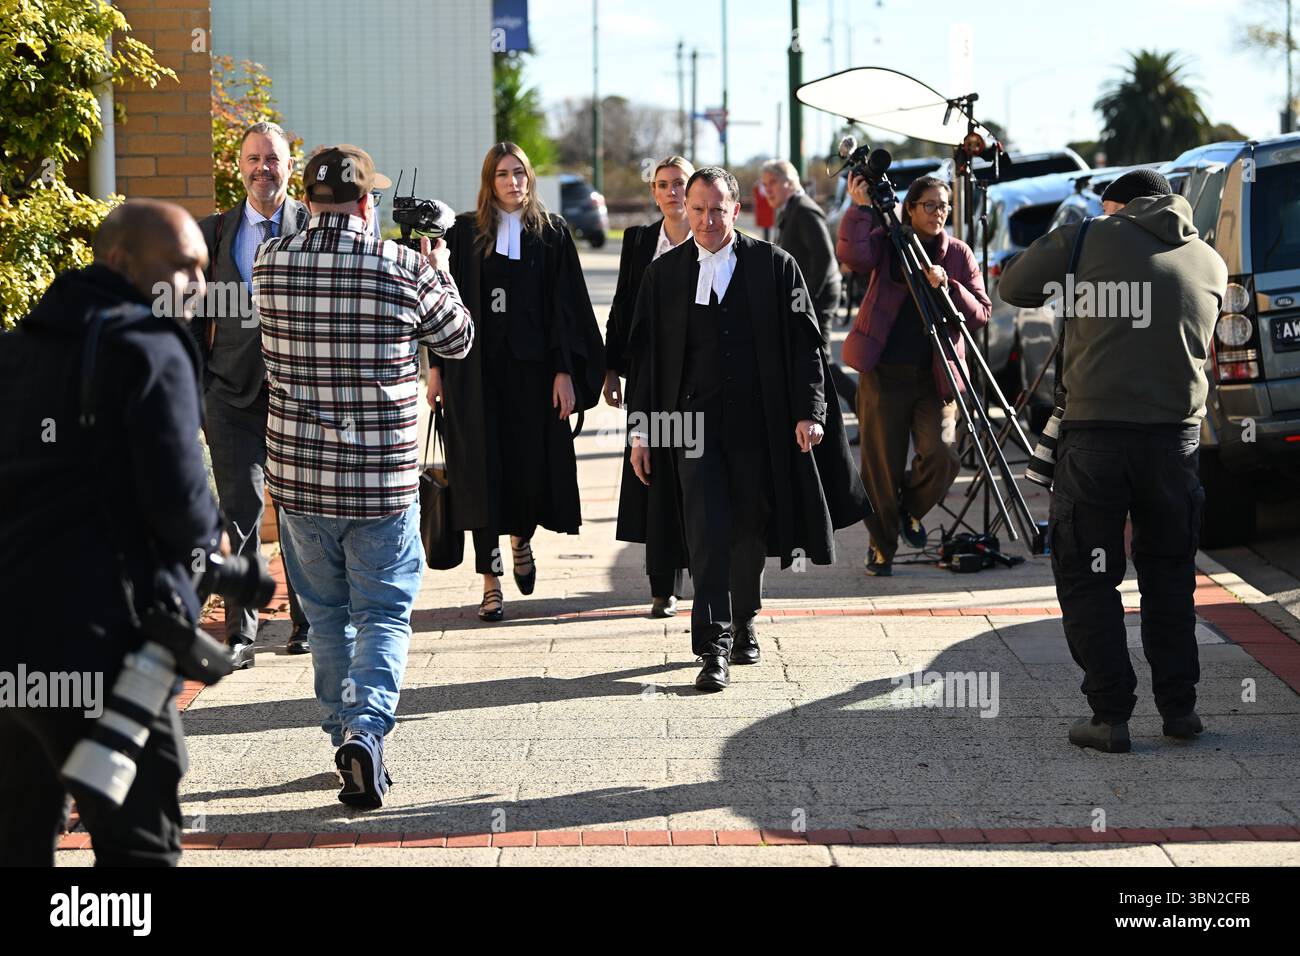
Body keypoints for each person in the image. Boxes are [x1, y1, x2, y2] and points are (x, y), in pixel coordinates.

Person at [0, 200, 223, 865]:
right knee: (139, 852)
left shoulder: (15, 349)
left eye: (205, 271)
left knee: (16, 837)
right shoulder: (150, 347)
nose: (200, 288)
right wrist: (226, 560)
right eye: (182, 268)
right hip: (100, 642)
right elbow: (180, 501)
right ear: (122, 259)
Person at [254, 145, 474, 807]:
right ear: (367, 203)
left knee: (326, 621)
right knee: (382, 615)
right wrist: (440, 269)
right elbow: (458, 340)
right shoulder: (403, 266)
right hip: (380, 480)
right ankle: (366, 731)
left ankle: (342, 735)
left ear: (309, 200)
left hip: (300, 479)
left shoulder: (270, 263)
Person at [998, 169, 1227, 753]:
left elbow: (1015, 287)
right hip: (1176, 443)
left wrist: (1079, 252)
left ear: (1116, 206)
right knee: (1170, 577)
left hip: (1096, 442)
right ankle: (1180, 710)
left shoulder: (1087, 236)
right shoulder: (1210, 261)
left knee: (1089, 575)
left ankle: (1110, 715)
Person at [627, 166, 869, 692]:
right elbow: (646, 362)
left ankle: (746, 618)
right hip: (686, 425)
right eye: (697, 210)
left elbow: (807, 345)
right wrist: (640, 431)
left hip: (758, 423)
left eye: (718, 209)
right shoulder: (663, 276)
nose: (708, 220)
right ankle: (711, 647)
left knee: (749, 529)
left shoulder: (775, 266)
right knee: (706, 528)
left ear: (737, 210)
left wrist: (812, 412)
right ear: (683, 212)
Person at [430, 142, 605, 623]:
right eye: (503, 174)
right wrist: (436, 367)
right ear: (489, 181)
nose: (513, 182)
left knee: (526, 466)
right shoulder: (463, 232)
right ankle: (490, 584)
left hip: (533, 376)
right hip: (474, 373)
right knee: (478, 473)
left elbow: (567, 308)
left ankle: (521, 539)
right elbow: (441, 299)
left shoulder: (551, 234)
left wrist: (566, 371)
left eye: (520, 173)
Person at [193, 121, 312, 666]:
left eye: (273, 159)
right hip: (230, 394)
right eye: (253, 159)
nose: (263, 168)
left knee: (299, 511)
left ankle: (304, 622)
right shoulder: (214, 232)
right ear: (238, 166)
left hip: (297, 395)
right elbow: (192, 321)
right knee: (239, 512)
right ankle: (240, 632)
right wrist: (197, 392)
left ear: (291, 166)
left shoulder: (312, 227)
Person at [837, 173, 991, 576]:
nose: (939, 213)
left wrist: (950, 286)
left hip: (936, 379)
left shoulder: (957, 253)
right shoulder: (890, 242)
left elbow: (981, 312)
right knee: (881, 466)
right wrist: (860, 208)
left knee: (944, 454)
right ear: (910, 208)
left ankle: (909, 510)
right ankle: (881, 547)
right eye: (930, 205)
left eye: (944, 206)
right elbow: (853, 256)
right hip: (884, 373)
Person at [606, 155, 694, 618]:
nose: (672, 191)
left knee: (698, 472)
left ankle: (706, 570)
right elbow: (622, 305)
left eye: (680, 183)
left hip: (699, 378)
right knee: (654, 473)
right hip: (650, 377)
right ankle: (663, 586)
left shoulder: (711, 240)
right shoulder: (639, 240)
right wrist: (610, 368)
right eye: (663, 184)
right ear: (654, 193)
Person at [760, 159, 856, 411]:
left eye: (772, 183)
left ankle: (858, 405)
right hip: (811, 295)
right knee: (813, 357)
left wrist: (804, 301)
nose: (767, 190)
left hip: (819, 296)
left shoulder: (803, 209)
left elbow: (824, 258)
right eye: (764, 184)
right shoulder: (793, 208)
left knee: (820, 357)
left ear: (790, 181)